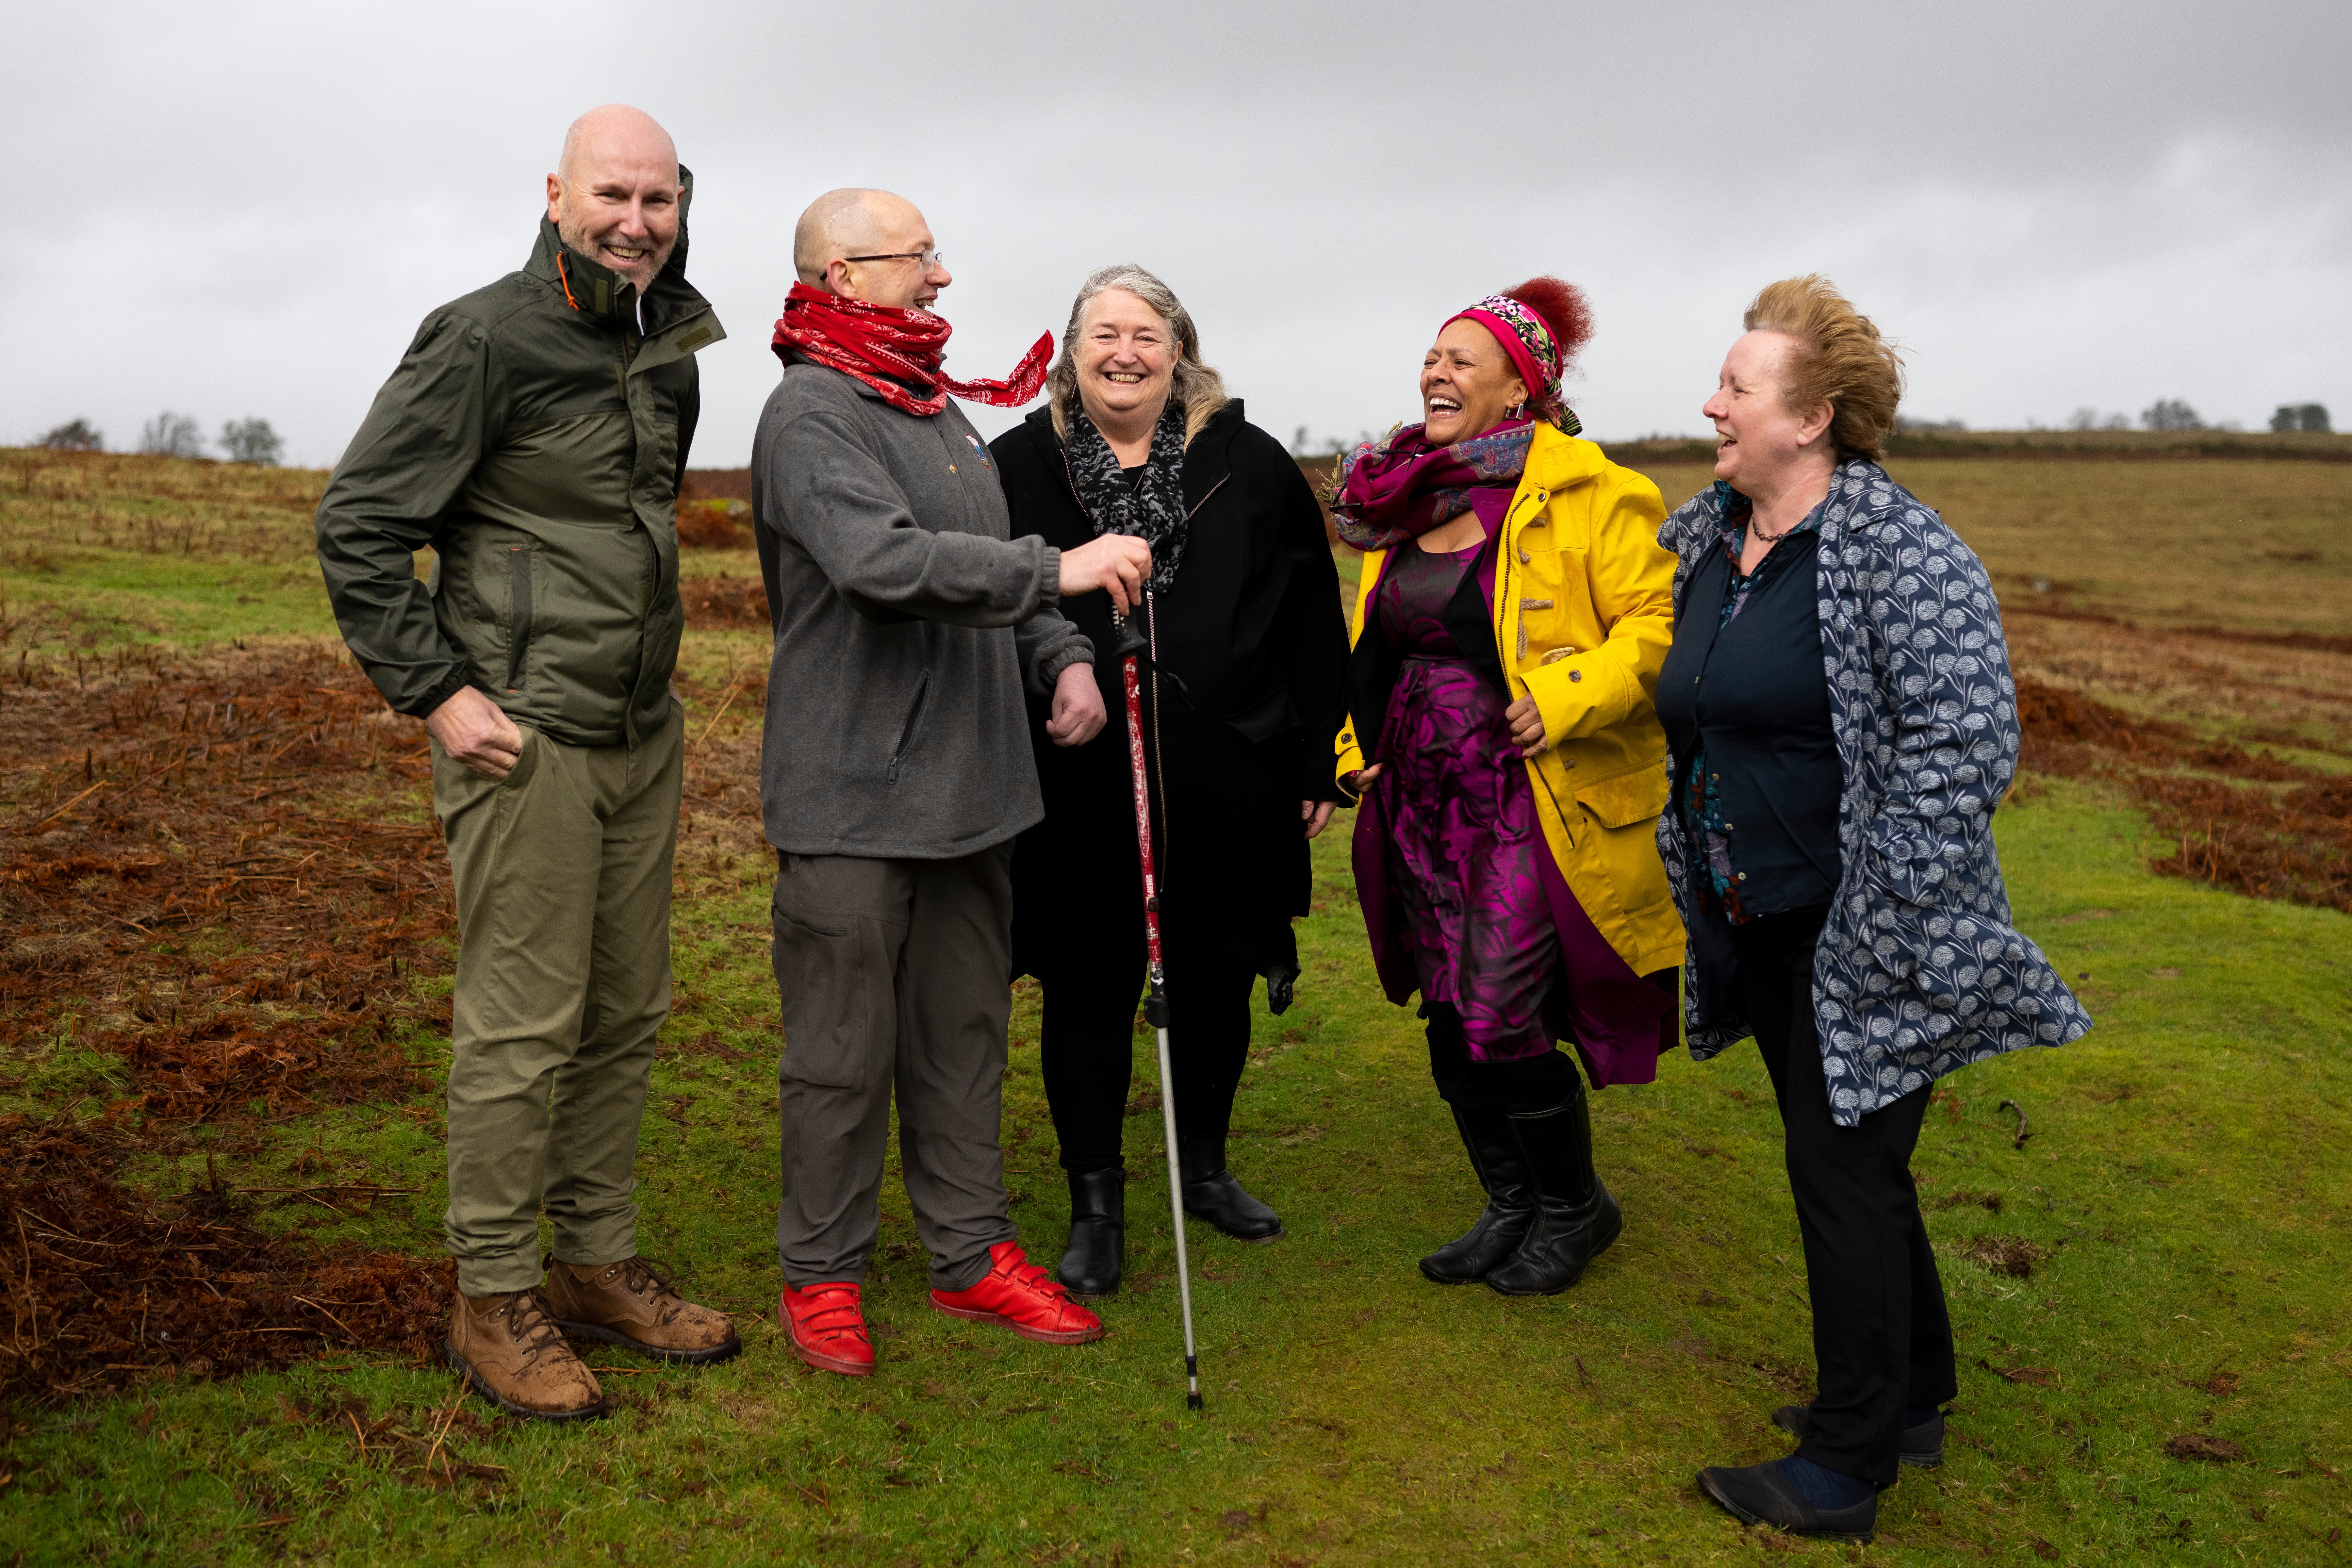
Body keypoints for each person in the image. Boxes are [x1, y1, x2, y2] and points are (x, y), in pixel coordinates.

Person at [315, 105, 740, 1422]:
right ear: (556, 193)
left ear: (683, 204)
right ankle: (494, 1294)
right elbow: (361, 524)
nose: (636, 221)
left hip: (638, 730)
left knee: (626, 1008)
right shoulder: (483, 336)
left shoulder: (668, 345)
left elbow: (633, 525)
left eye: (658, 200)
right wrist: (438, 692)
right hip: (525, 737)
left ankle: (597, 1261)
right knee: (524, 1021)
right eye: (612, 194)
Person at [1659, 276, 2092, 1541]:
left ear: (1816, 418)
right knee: (1854, 1166)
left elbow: (1967, 741)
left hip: (1867, 928)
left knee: (1840, 1174)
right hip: (1761, 917)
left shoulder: (1901, 549)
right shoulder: (1712, 541)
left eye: (1737, 387)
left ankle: (1846, 1467)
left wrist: (1880, 904)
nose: (1712, 404)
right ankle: (1912, 1397)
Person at [753, 189, 1157, 1377]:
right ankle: (822, 1274)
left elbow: (992, 577)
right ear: (840, 275)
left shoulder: (935, 410)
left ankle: (967, 1254)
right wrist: (1063, 569)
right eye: (916, 257)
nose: (940, 276)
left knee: (962, 1036)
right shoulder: (810, 412)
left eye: (934, 253)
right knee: (840, 1048)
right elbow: (885, 564)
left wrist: (1061, 659)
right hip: (852, 798)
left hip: (978, 792)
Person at [991, 265, 1350, 1296]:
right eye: (1105, 333)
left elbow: (1307, 616)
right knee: (1090, 978)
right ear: (1072, 349)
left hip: (1228, 765)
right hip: (1077, 770)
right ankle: (1095, 1198)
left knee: (1215, 969)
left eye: (1147, 334)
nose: (1126, 353)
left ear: (1179, 348)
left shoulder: (1250, 462)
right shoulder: (1019, 463)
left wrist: (1314, 746)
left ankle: (1203, 1168)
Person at [1332, 279, 1685, 1298]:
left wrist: (1569, 694)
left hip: (1528, 796)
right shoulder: (1404, 497)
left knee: (1498, 1011)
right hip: (1422, 798)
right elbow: (1376, 650)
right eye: (1432, 356)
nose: (1436, 373)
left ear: (1520, 388)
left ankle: (1578, 1208)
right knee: (1445, 1009)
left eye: (1462, 360)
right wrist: (1358, 749)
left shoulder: (1593, 491)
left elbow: (1655, 631)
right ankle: (1510, 1203)